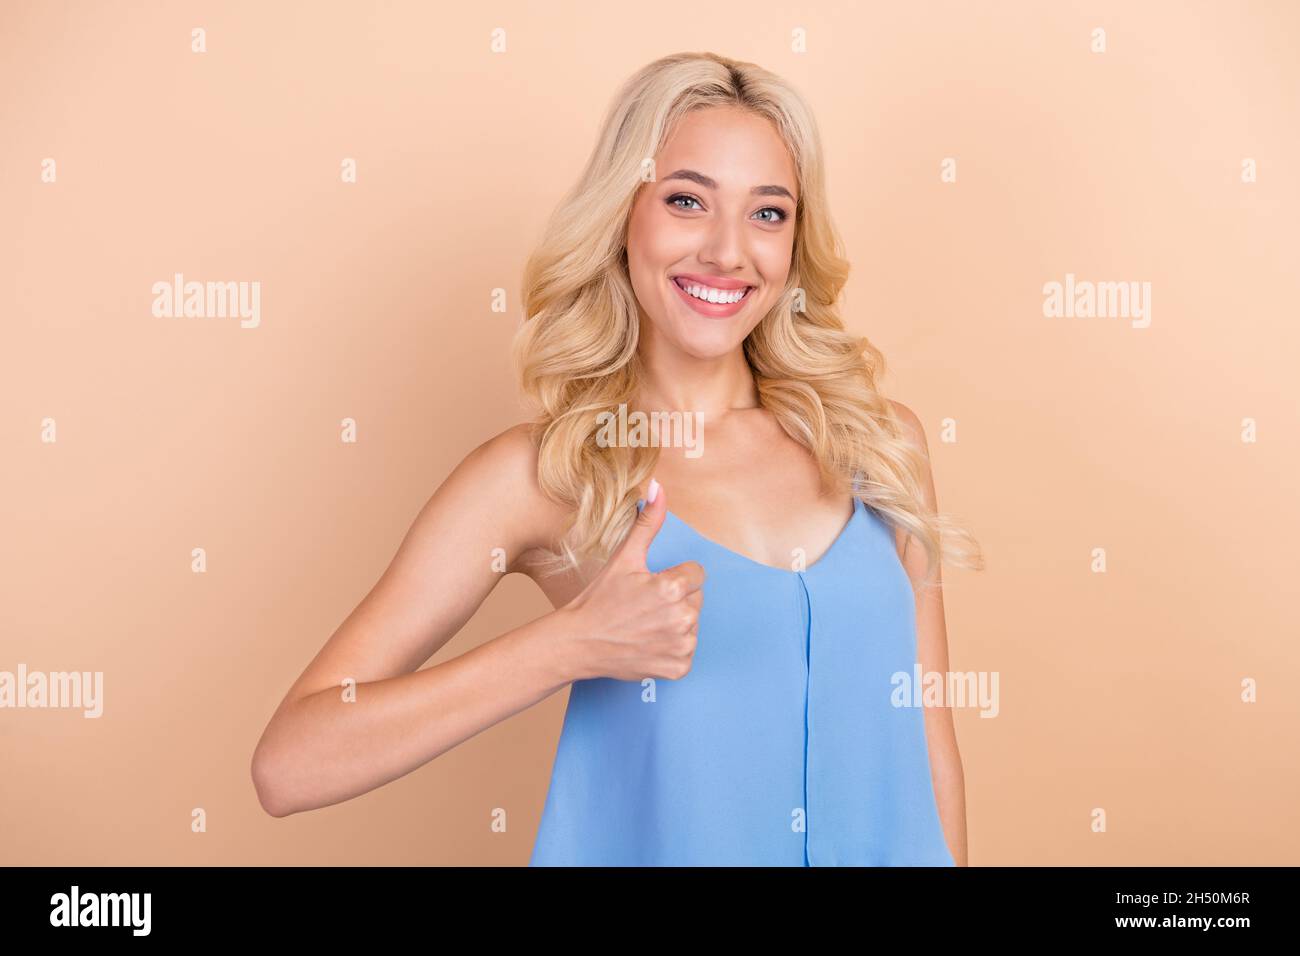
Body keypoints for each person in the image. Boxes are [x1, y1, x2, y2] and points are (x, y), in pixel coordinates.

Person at [251, 51, 983, 866]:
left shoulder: (880, 446)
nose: (728, 252)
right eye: (686, 201)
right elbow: (290, 764)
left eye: (768, 214)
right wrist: (569, 646)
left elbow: (932, 751)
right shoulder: (542, 477)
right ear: (622, 215)